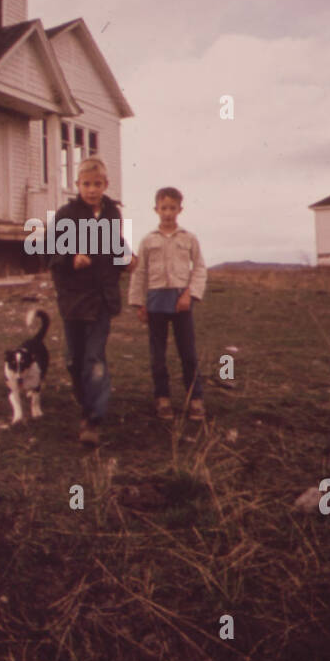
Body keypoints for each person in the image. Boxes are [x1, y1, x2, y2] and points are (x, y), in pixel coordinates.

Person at [48, 158, 136, 446]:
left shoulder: (112, 214)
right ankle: (86, 401)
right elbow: (48, 251)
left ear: (105, 185)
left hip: (101, 298)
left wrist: (127, 259)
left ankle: (92, 418)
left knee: (94, 358)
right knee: (75, 360)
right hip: (73, 299)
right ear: (77, 186)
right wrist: (71, 258)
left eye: (97, 184)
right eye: (86, 184)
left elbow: (115, 246)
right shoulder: (66, 215)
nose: (92, 189)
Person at [127, 187, 208, 421]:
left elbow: (200, 268)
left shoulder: (189, 238)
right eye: (164, 208)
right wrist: (138, 303)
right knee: (158, 354)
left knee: (187, 352)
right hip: (155, 301)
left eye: (173, 208)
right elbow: (139, 272)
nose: (168, 213)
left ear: (180, 209)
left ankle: (195, 398)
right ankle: (162, 398)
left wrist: (189, 295)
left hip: (181, 302)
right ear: (156, 209)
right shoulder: (148, 240)